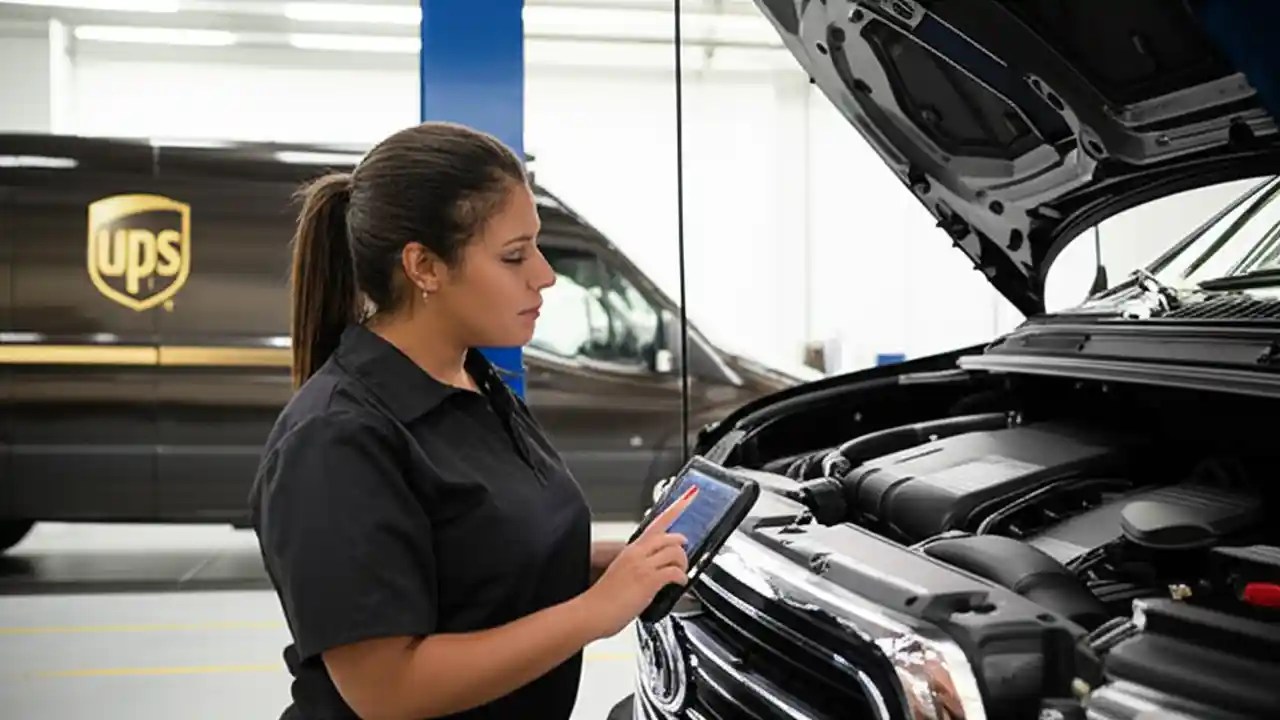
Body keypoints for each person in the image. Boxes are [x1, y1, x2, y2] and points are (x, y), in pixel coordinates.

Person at [248, 121, 699, 720]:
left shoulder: (474, 382)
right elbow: (387, 689)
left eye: (536, 247)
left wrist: (605, 563)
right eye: (514, 255)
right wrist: (595, 613)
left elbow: (476, 553)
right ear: (425, 267)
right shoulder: (337, 439)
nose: (545, 274)